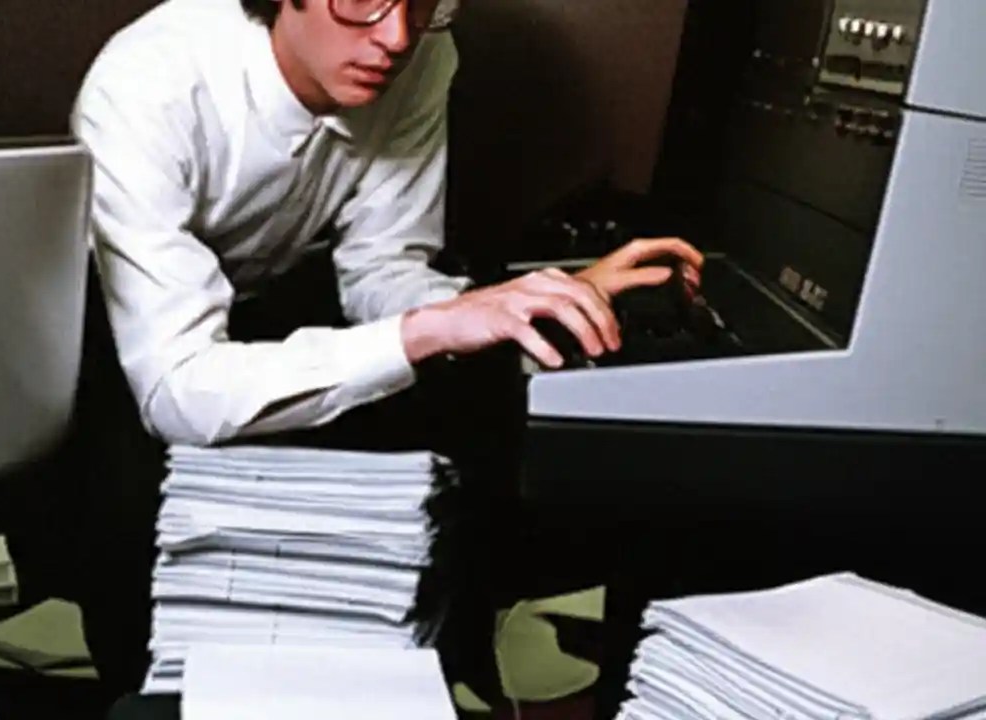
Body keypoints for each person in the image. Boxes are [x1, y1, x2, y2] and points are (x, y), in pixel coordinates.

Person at [61, 0, 705, 706]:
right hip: (129, 331)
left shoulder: (426, 51)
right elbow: (177, 387)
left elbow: (383, 267)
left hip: (270, 304)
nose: (395, 36)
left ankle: (445, 677)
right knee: (133, 558)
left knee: (453, 432)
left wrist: (522, 301)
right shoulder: (144, 86)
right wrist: (427, 330)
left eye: (420, 1)